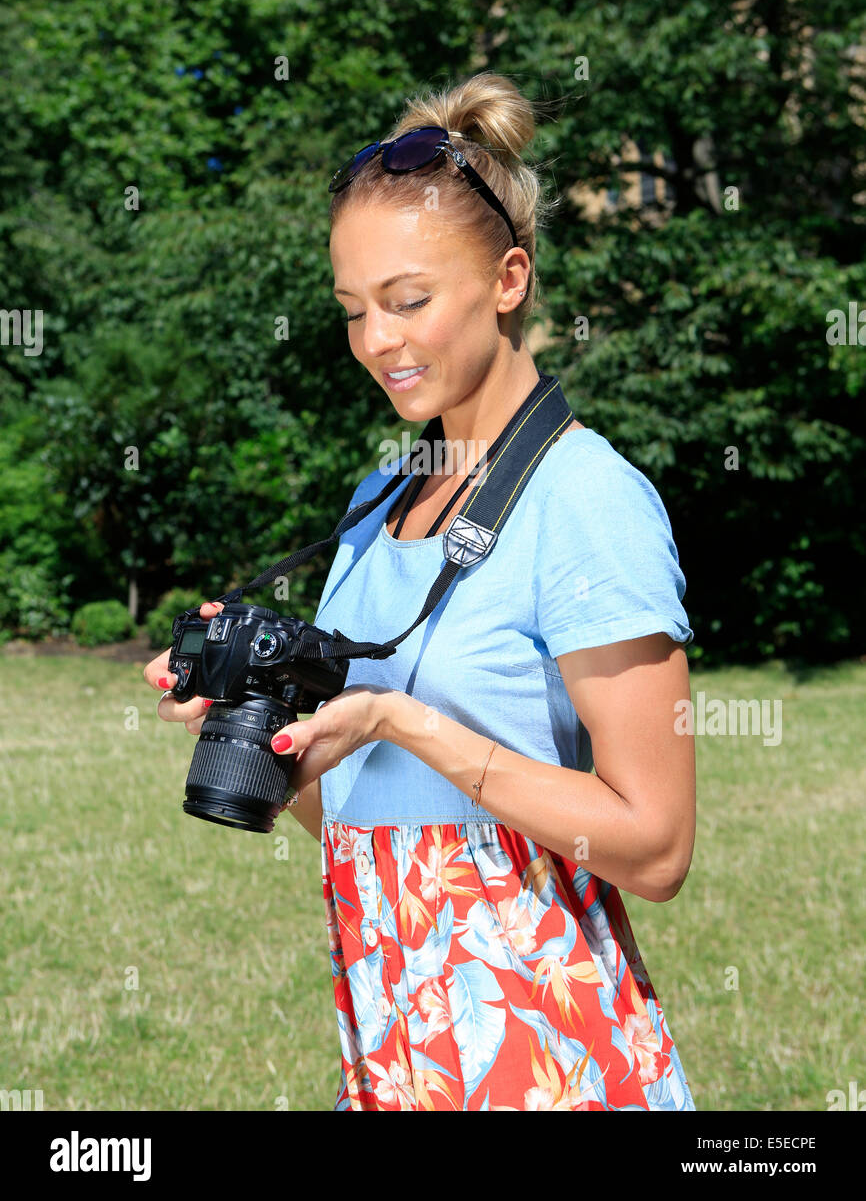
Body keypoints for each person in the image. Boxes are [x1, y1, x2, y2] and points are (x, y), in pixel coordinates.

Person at [144, 71, 697, 1111]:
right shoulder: (381, 493)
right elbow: (373, 820)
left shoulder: (585, 498)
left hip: (548, 1060)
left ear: (507, 279)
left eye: (407, 302)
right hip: (391, 1046)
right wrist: (250, 731)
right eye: (353, 310)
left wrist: (408, 721)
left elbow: (656, 846)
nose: (375, 342)